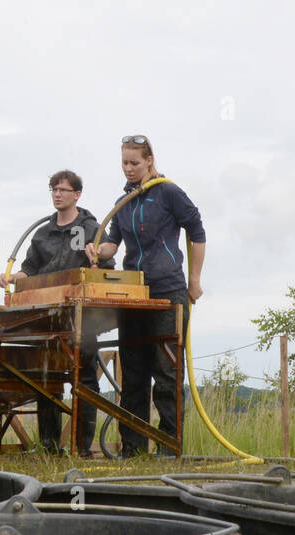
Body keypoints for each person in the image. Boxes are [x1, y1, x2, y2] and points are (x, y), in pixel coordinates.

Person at [85, 134, 206, 457]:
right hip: (134, 296)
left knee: (167, 373)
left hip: (168, 292)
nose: (128, 168)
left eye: (134, 163)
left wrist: (194, 279)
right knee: (134, 372)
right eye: (124, 163)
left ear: (150, 161)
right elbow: (113, 243)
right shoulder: (122, 202)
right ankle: (133, 448)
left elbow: (197, 230)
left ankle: (168, 447)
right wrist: (99, 249)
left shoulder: (168, 192)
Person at [0, 170, 112, 456]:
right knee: (46, 378)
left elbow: (108, 268)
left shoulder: (90, 228)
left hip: (82, 317)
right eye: (53, 189)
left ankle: (82, 448)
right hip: (47, 316)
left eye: (63, 189)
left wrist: (97, 260)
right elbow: (30, 270)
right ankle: (49, 447)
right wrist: (12, 279)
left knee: (85, 378)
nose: (57, 194)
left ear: (77, 194)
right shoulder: (42, 233)